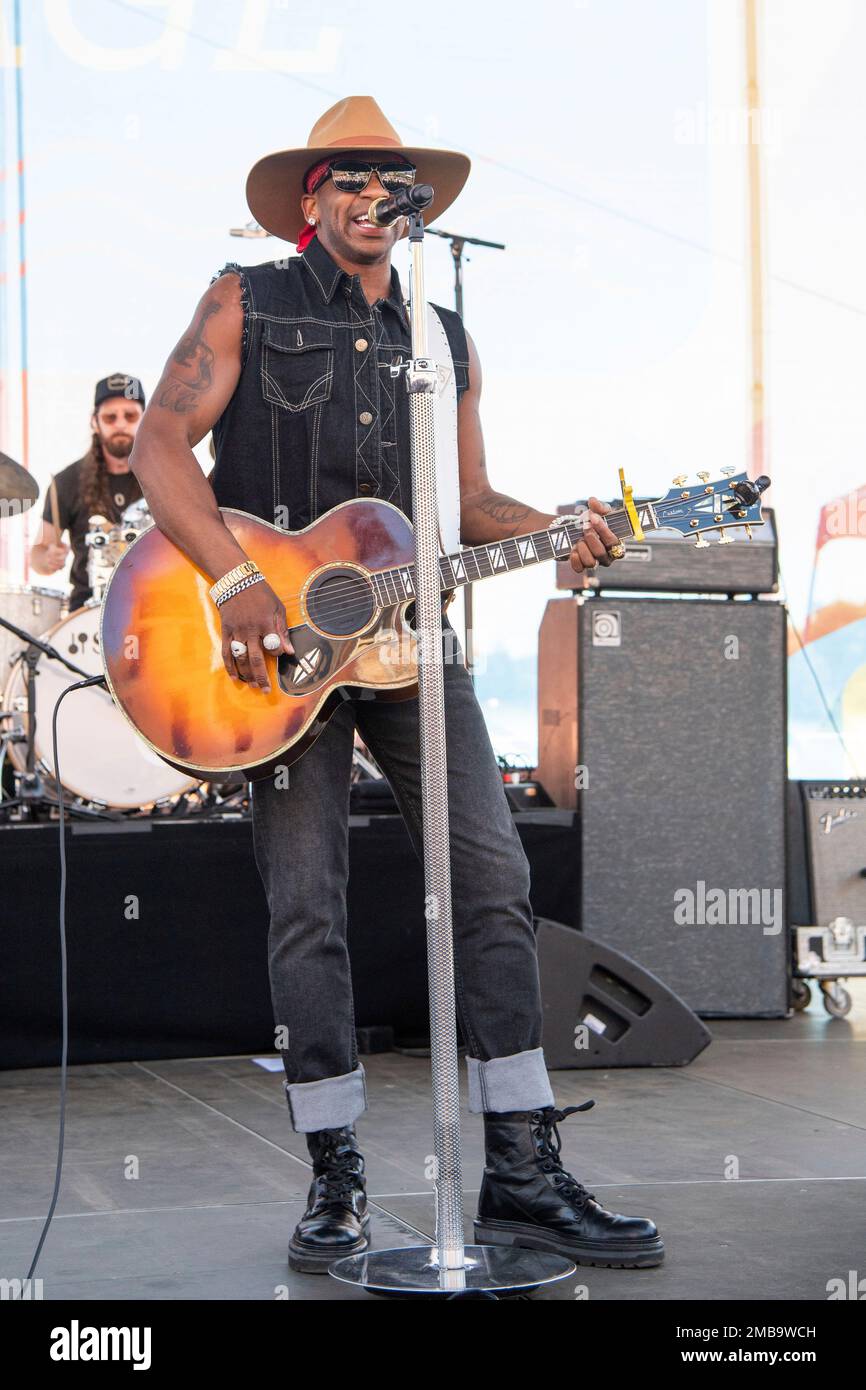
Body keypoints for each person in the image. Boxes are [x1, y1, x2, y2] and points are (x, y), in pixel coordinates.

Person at [129, 96, 664, 1273]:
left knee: (493, 878)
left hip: (409, 640)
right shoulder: (246, 299)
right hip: (276, 650)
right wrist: (234, 580)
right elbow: (158, 445)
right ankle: (334, 1179)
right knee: (307, 903)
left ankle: (520, 1169)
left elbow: (464, 506)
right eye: (352, 175)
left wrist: (557, 526)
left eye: (390, 175)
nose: (375, 192)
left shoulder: (441, 333)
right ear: (311, 197)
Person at [30, 375, 145, 611]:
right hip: (87, 610)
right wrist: (48, 558)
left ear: (144, 419)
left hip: (156, 606)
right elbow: (37, 555)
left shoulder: (166, 476)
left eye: (130, 416)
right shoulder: (66, 481)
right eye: (110, 417)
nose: (120, 424)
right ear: (95, 422)